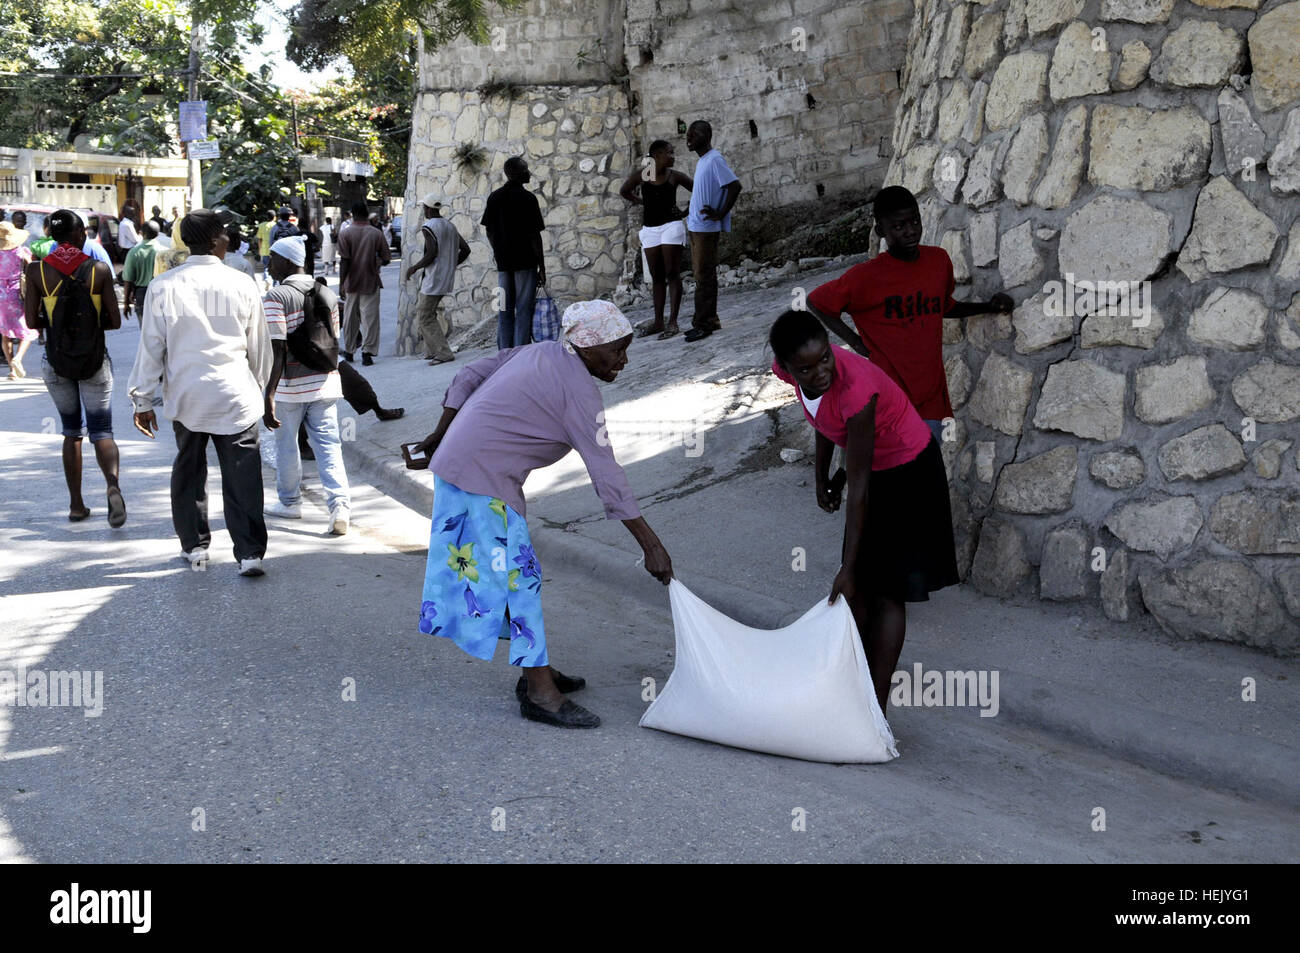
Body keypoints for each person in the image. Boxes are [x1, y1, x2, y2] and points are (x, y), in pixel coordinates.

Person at [407, 300, 672, 728]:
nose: (624, 360)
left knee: (511, 577)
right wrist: (652, 547)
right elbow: (607, 472)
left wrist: (441, 434)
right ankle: (539, 692)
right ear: (586, 346)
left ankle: (537, 668)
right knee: (520, 578)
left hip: (465, 470)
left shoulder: (542, 351)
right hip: (480, 481)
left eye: (626, 348)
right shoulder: (579, 393)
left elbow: (469, 374)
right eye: (617, 350)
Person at [768, 309, 958, 712]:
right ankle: (852, 692)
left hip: (909, 472)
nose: (821, 372)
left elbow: (860, 488)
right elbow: (822, 417)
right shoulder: (791, 371)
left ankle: (876, 709)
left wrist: (848, 568)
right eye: (807, 368)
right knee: (860, 593)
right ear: (786, 367)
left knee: (886, 591)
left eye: (825, 359)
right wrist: (821, 477)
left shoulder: (857, 390)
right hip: (872, 466)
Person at [128, 209, 272, 577]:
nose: (228, 240)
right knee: (242, 473)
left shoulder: (164, 285)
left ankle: (194, 547)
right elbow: (259, 347)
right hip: (235, 392)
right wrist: (260, 389)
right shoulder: (241, 282)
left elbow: (151, 348)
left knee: (189, 471)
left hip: (186, 393)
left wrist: (142, 398)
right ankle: (250, 552)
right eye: (225, 234)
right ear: (214, 241)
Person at [807, 186, 1013, 442]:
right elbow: (816, 302)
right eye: (899, 226)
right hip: (889, 395)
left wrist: (987, 307)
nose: (910, 230)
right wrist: (857, 343)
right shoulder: (866, 277)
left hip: (931, 396)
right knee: (903, 470)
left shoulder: (938, 261)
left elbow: (942, 307)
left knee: (928, 464)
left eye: (914, 221)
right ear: (881, 231)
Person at [21, 208, 126, 526]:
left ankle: (77, 505)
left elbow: (31, 321)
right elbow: (115, 320)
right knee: (102, 430)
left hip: (57, 362)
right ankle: (112, 485)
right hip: (94, 361)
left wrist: (55, 321)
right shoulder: (97, 269)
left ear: (51, 237)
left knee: (71, 433)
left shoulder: (38, 271)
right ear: (80, 235)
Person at [261, 236, 351, 534]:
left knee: (287, 446)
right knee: (329, 446)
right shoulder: (325, 291)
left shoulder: (276, 296)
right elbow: (334, 339)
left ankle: (289, 503)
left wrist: (269, 393)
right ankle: (339, 506)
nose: (269, 264)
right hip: (326, 382)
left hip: (290, 388)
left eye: (272, 258)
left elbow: (277, 348)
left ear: (287, 261)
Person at [620, 139, 694, 340]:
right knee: (657, 276)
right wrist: (641, 202)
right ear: (657, 155)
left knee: (672, 273)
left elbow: (697, 190)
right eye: (669, 152)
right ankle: (659, 321)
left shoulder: (674, 176)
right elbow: (624, 191)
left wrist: (685, 212)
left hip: (672, 226)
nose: (673, 156)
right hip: (650, 229)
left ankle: (673, 322)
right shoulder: (644, 176)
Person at [683, 120, 742, 343]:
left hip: (706, 228)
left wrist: (720, 213)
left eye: (693, 134)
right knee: (701, 275)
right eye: (687, 134)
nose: (688, 138)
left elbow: (734, 186)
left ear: (706, 136)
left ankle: (704, 324)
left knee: (704, 276)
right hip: (696, 226)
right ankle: (710, 319)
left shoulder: (715, 159)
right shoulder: (703, 161)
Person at [481, 156, 546, 350]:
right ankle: (520, 352)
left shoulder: (494, 197)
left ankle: (504, 352)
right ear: (518, 174)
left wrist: (497, 251)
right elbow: (535, 236)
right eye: (526, 169)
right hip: (525, 263)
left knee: (503, 309)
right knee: (524, 309)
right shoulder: (528, 199)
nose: (529, 173)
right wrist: (542, 267)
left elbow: (489, 230)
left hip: (503, 264)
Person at [403, 195, 470, 366]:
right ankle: (432, 351)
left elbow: (431, 253)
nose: (423, 210)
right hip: (445, 278)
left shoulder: (429, 226)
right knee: (428, 314)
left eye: (424, 207)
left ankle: (443, 353)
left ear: (429, 208)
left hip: (433, 279)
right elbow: (465, 250)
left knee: (425, 315)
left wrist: (415, 267)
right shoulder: (450, 225)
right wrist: (450, 264)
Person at [337, 200, 391, 365]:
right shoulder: (376, 233)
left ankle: (349, 351)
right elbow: (387, 258)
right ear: (367, 214)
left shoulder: (345, 233)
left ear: (352, 214)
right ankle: (367, 353)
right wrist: (376, 263)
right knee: (370, 319)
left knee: (350, 318)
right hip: (371, 281)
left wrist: (341, 283)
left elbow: (344, 261)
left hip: (351, 282)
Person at [0, 220, 36, 379]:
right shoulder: (22, 251)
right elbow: (33, 268)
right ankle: (18, 358)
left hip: (0, 295)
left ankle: (12, 371)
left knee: (5, 333)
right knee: (27, 330)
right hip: (16, 294)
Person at [121, 220, 161, 320]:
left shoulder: (134, 252)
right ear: (158, 234)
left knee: (145, 331)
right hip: (161, 293)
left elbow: (128, 280)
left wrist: (126, 303)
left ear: (142, 233)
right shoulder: (164, 252)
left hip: (142, 295)